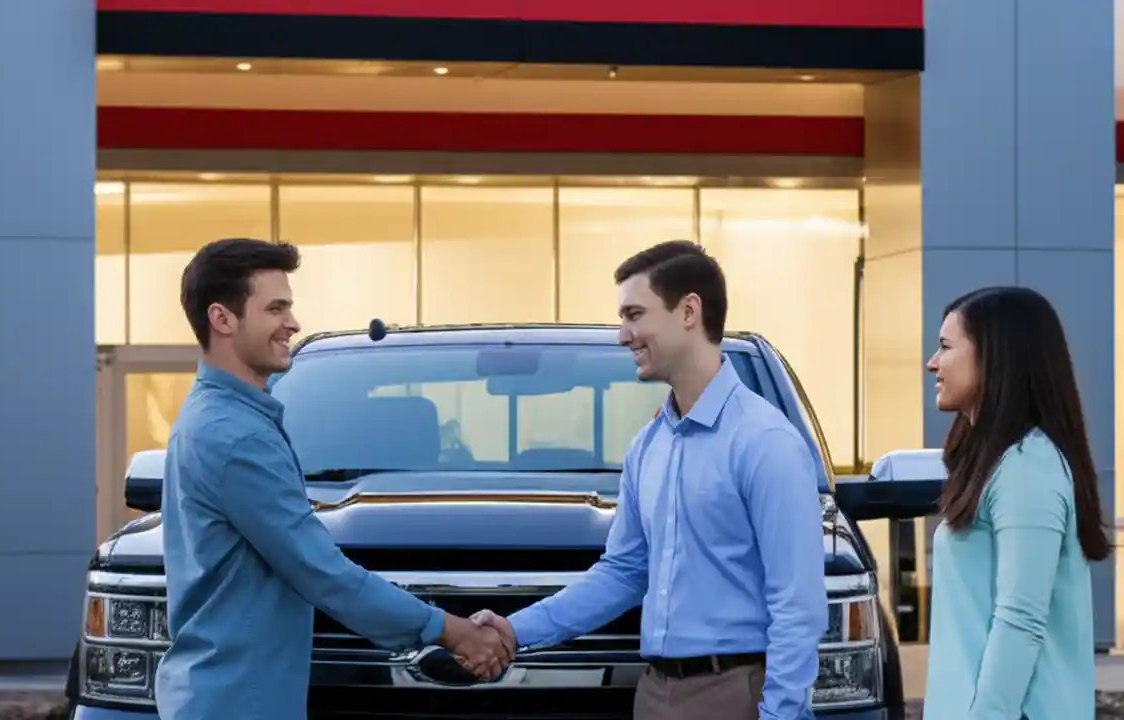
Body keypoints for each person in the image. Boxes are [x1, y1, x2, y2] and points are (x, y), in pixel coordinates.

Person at [153, 238, 514, 720]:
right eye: (276, 308)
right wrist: (450, 629)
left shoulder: (220, 416)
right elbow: (321, 571)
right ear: (222, 319)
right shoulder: (235, 435)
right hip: (242, 701)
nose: (293, 323)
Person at [472, 240, 829, 719]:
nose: (623, 335)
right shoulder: (648, 446)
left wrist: (781, 714)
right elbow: (623, 572)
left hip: (736, 695)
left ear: (688, 312)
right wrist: (516, 631)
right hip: (654, 694)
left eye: (634, 315)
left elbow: (797, 607)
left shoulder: (765, 442)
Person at [921, 287, 1110, 720]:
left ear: (993, 358)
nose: (933, 363)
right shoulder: (1001, 461)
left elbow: (1021, 620)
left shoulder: (1028, 467)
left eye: (946, 347)